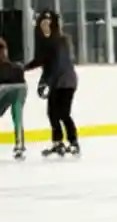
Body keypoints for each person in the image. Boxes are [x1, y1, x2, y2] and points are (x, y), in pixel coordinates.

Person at [24, 10, 79, 158]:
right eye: (42, 24)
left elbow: (58, 64)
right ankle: (57, 142)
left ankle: (73, 142)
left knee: (63, 113)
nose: (45, 27)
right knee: (52, 113)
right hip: (55, 82)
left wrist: (46, 82)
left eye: (48, 24)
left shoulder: (61, 41)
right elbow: (41, 60)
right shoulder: (46, 42)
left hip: (66, 81)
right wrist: (22, 68)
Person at [0, 37, 27, 160]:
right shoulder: (16, 68)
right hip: (19, 86)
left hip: (6, 87)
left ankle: (20, 144)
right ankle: (19, 144)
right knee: (17, 114)